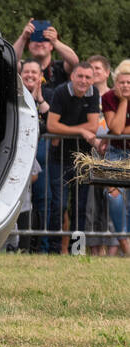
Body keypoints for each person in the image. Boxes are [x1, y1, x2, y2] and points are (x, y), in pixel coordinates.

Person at [45, 61, 101, 255]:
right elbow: (52, 125)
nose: (83, 81)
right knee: (58, 205)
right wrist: (81, 131)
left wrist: (76, 130)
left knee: (80, 206)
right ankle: (53, 251)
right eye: (80, 76)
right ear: (72, 76)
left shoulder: (94, 93)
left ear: (92, 79)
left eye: (88, 77)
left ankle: (77, 250)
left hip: (83, 158)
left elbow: (93, 126)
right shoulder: (60, 92)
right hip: (58, 156)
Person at [19, 58, 53, 254]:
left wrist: (39, 98)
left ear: (41, 75)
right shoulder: (13, 93)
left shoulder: (46, 95)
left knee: (40, 201)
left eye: (34, 72)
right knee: (22, 202)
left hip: (40, 155)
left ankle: (38, 247)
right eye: (27, 72)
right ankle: (21, 247)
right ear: (21, 74)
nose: (30, 75)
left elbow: (49, 124)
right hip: (19, 154)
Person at [100, 60, 130, 257]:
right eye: (122, 82)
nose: (125, 86)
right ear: (115, 82)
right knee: (113, 196)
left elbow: (117, 129)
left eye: (129, 83)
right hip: (115, 153)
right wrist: (124, 102)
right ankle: (125, 244)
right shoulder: (109, 97)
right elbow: (117, 129)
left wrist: (118, 130)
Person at [12, 20, 77, 88]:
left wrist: (55, 41)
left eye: (45, 39)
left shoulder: (60, 67)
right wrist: (23, 37)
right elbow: (10, 61)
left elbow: (74, 62)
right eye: (35, 38)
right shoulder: (23, 68)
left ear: (52, 46)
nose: (39, 43)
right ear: (28, 45)